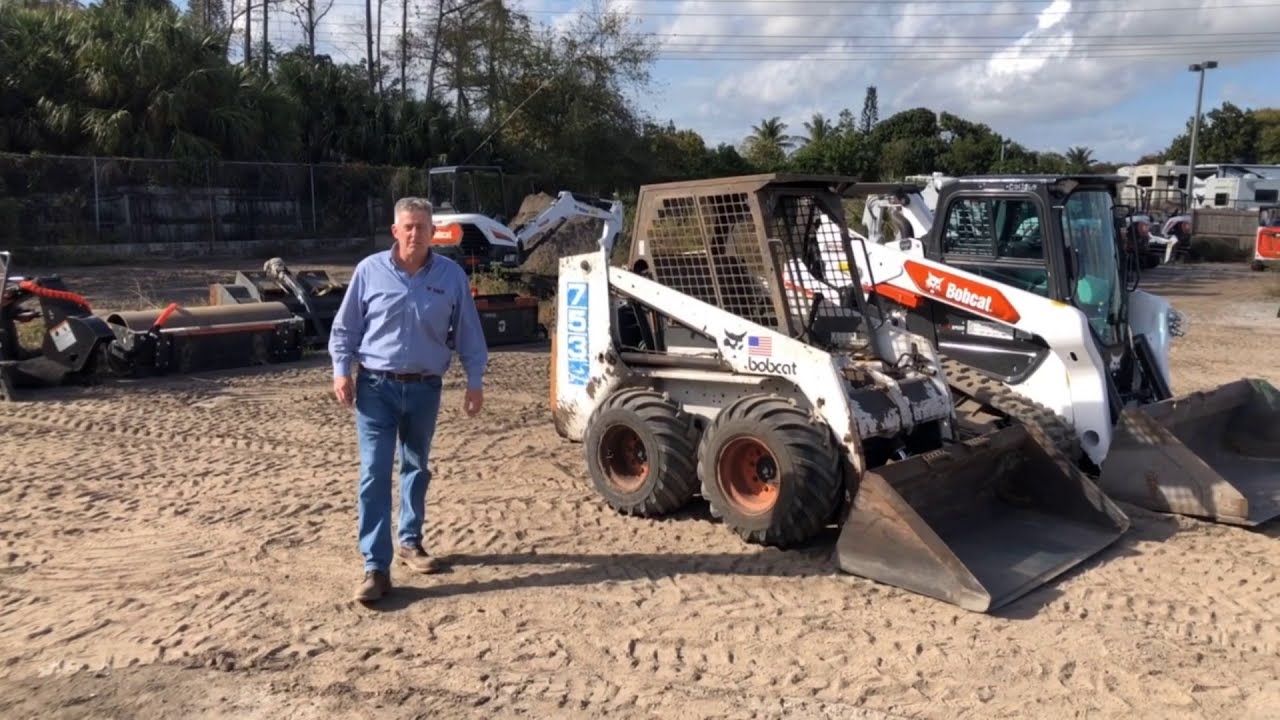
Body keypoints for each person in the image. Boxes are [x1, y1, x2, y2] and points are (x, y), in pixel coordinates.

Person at [328, 196, 489, 603]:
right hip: (376, 389)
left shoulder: (450, 277)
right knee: (374, 474)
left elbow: (468, 331)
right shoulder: (369, 272)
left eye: (422, 226)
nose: (415, 233)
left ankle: (410, 542)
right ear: (395, 231)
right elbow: (345, 328)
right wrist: (341, 371)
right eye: (408, 226)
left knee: (416, 468)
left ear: (434, 232)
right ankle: (375, 568)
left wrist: (475, 380)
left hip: (424, 389)